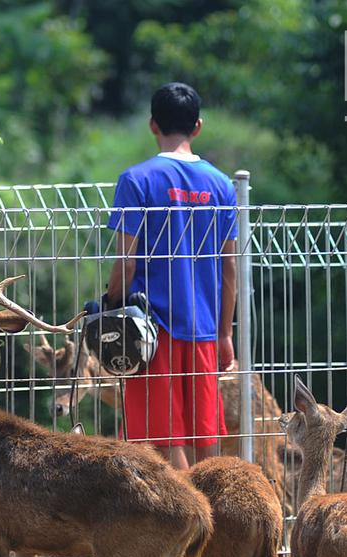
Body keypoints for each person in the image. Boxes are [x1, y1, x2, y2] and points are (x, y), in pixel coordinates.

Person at [104, 82, 238, 470]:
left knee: (162, 440)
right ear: (198, 127)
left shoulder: (137, 180)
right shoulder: (220, 185)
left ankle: (187, 524)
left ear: (152, 125)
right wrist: (225, 333)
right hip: (205, 327)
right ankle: (214, 521)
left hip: (152, 328)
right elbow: (229, 266)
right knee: (204, 438)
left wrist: (111, 306)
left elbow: (126, 262)